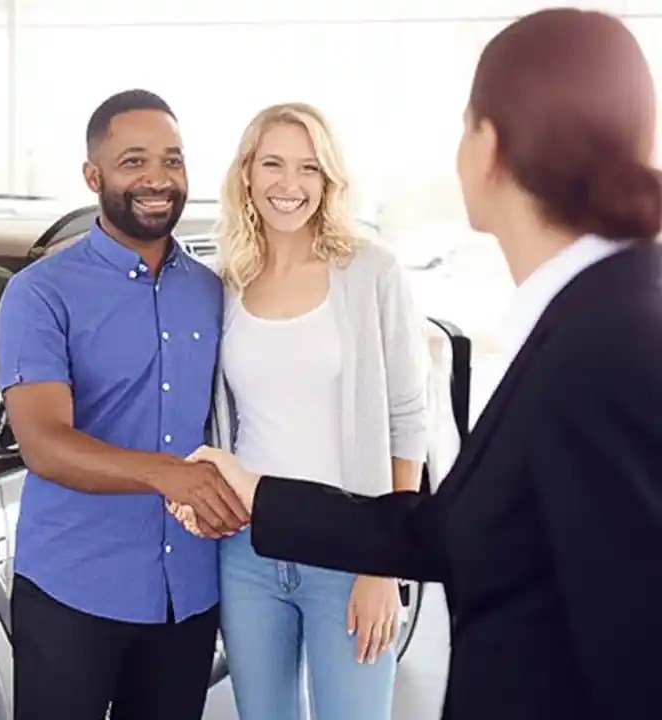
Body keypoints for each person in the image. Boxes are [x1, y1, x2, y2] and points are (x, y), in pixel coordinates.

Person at [187, 8, 662, 720]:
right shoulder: (585, 324)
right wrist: (253, 491)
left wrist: (374, 569)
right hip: (261, 546)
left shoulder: (609, 349)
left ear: (488, 147)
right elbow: (448, 532)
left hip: (341, 563)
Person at [171, 102, 429, 720]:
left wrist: (385, 566)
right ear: (247, 176)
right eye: (274, 165)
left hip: (351, 553)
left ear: (329, 180)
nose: (290, 185)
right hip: (248, 552)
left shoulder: (372, 273)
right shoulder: (226, 279)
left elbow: (407, 420)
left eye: (309, 168)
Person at [0, 88, 248, 720]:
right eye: (134, 161)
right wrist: (169, 476)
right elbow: (44, 445)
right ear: (93, 175)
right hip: (73, 590)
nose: (158, 179)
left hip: (187, 593)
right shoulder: (40, 294)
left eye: (173, 160)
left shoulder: (215, 292)